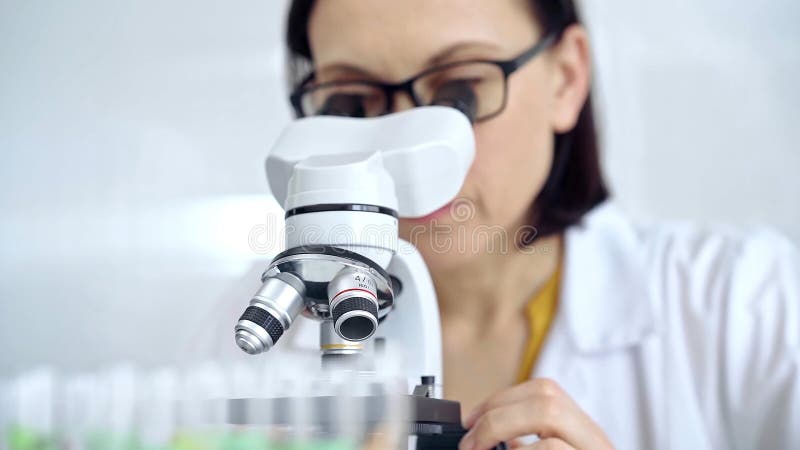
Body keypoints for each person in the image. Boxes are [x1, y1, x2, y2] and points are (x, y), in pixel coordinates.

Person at [282, 1, 800, 448]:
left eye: (460, 91)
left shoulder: (748, 303)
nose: (407, 153)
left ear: (567, 79)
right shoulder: (264, 327)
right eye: (351, 104)